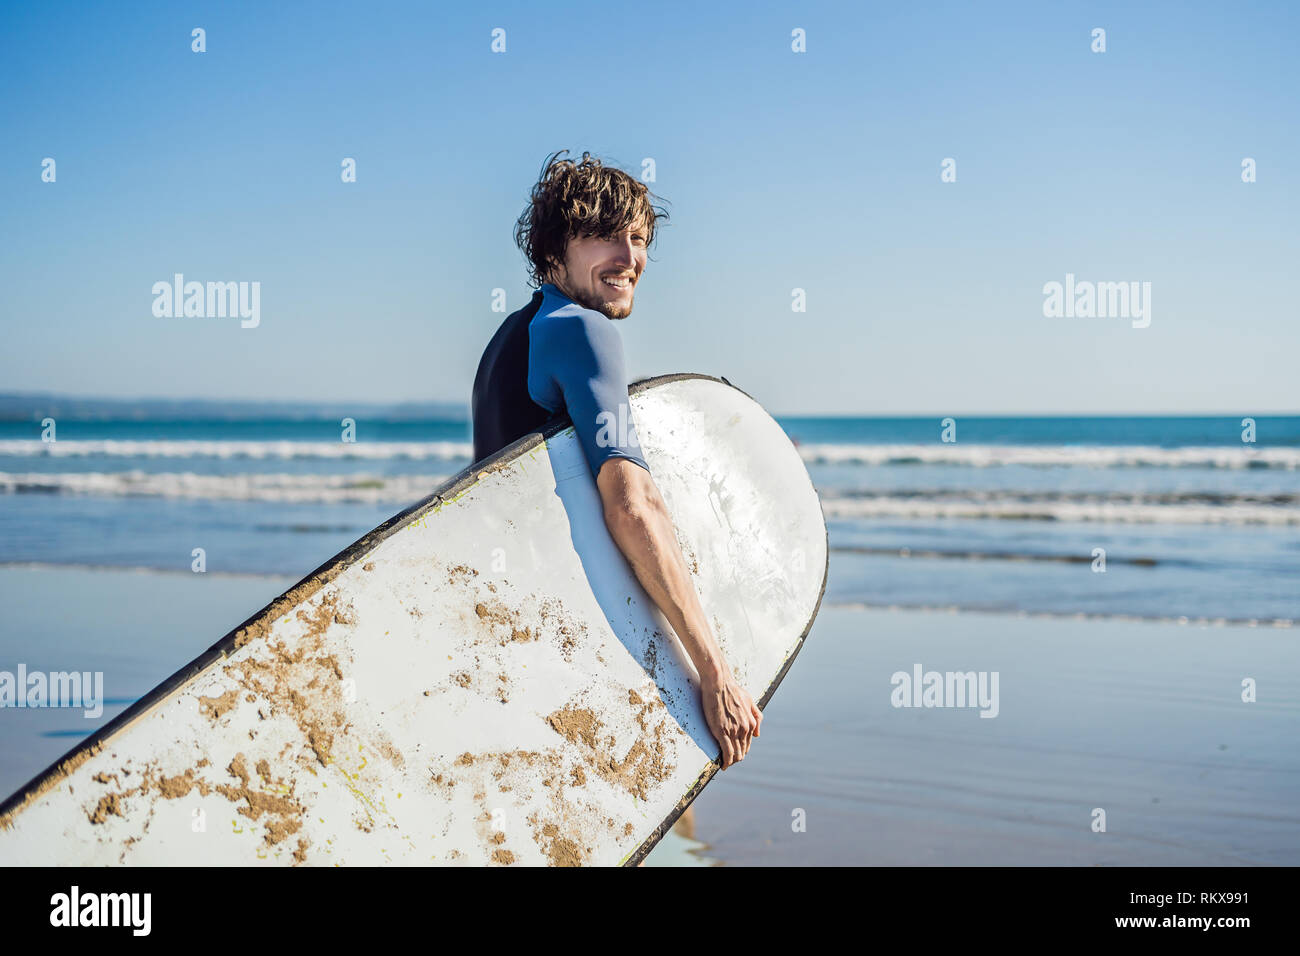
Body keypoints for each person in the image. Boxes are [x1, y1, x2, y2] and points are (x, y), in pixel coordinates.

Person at [471, 150, 760, 769]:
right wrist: (714, 671)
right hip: (558, 631)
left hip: (511, 621)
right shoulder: (582, 330)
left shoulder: (514, 335)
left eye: (637, 238)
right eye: (604, 235)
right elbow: (633, 503)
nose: (629, 259)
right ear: (554, 249)